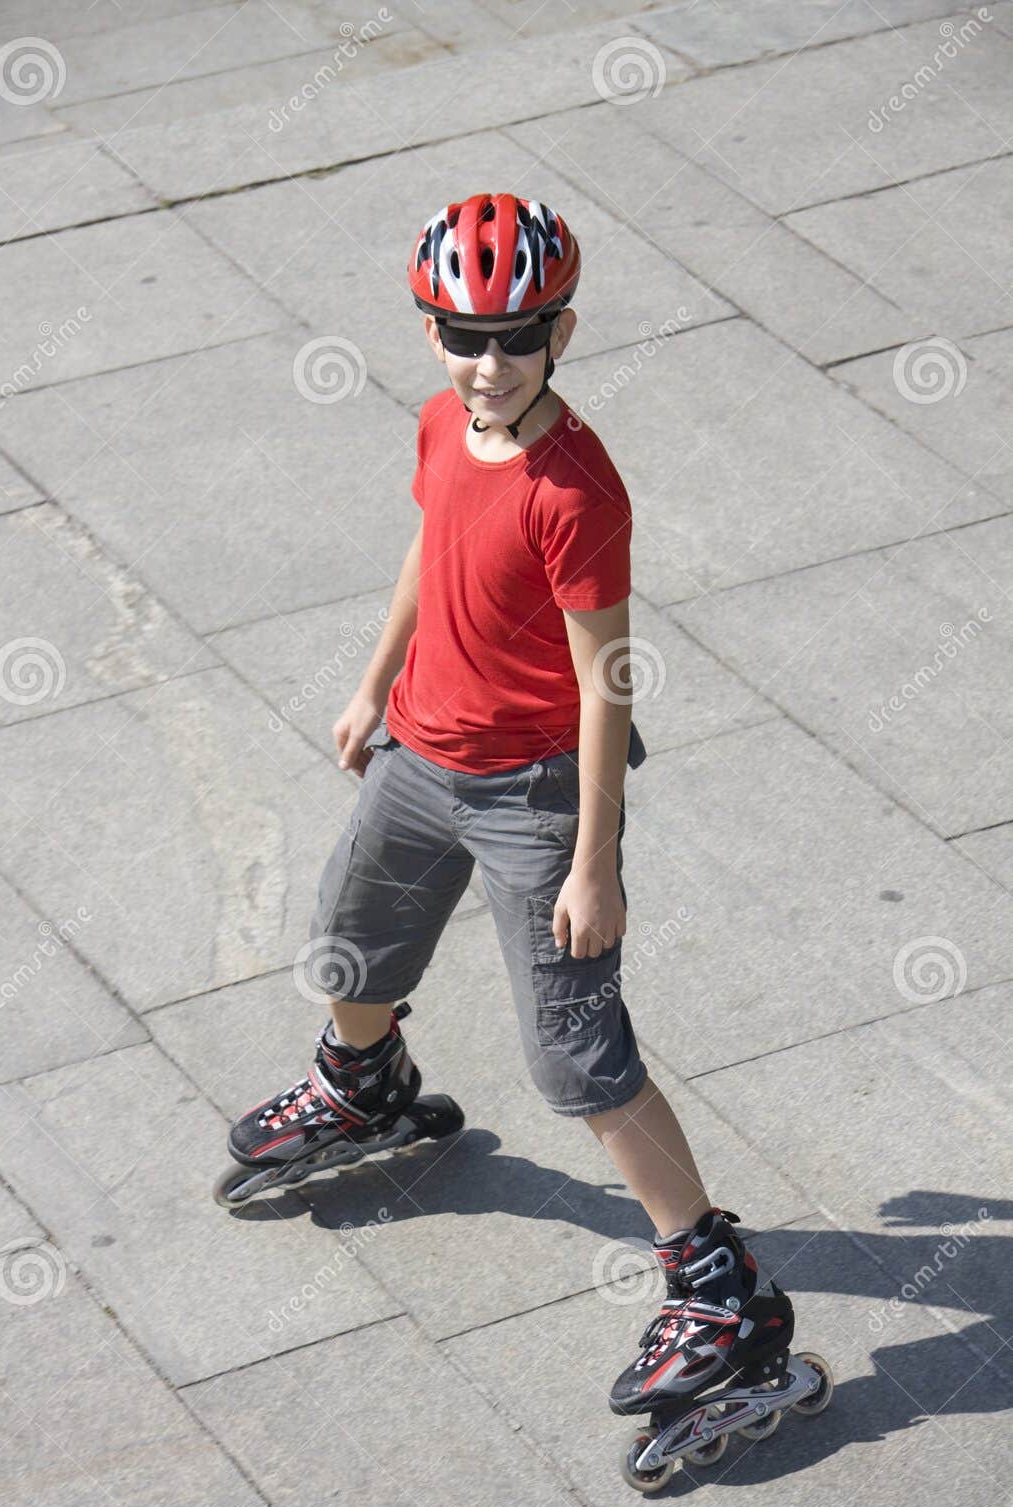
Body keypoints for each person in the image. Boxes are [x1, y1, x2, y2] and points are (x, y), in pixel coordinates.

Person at [224, 193, 796, 1418]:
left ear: (562, 332)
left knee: (574, 1058)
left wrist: (595, 861)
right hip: (419, 756)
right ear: (430, 332)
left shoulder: (575, 488)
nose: (488, 364)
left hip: (536, 792)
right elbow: (429, 552)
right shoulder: (440, 423)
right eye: (463, 334)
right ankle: (361, 1083)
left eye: (517, 336)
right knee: (346, 935)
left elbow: (606, 681)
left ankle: (715, 1281)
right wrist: (372, 685)